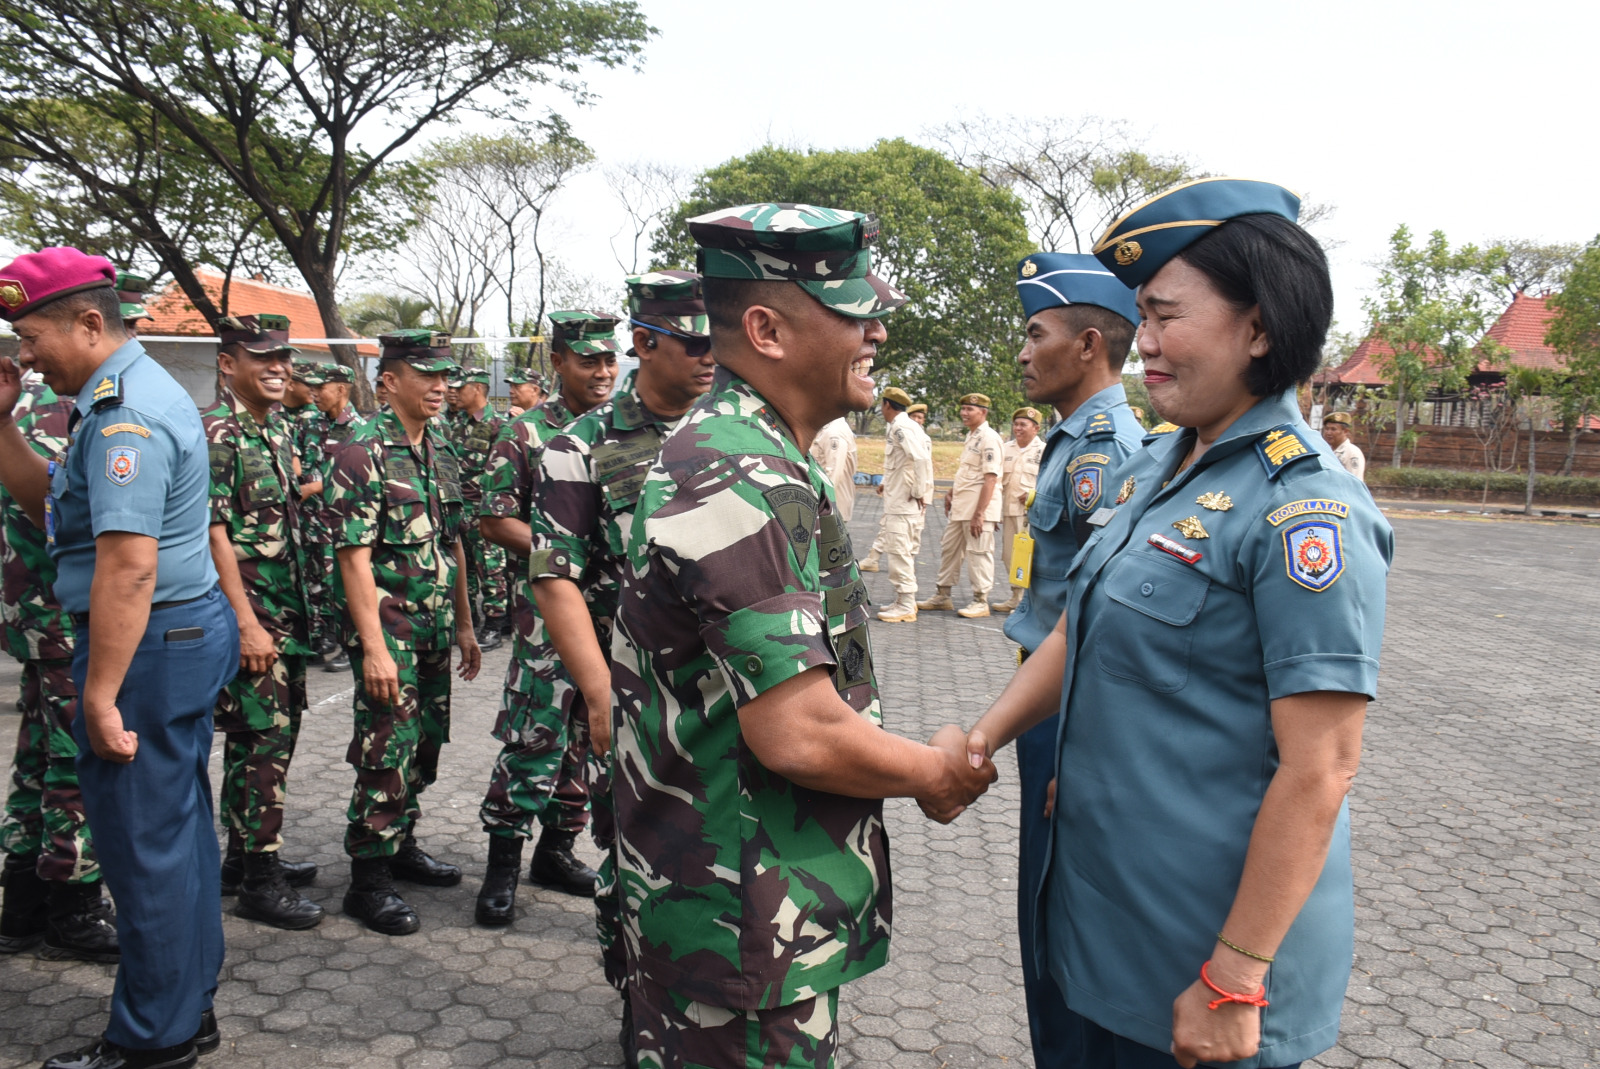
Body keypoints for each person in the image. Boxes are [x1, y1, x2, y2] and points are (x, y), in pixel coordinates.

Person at [965, 179, 1393, 1069]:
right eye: (1142, 318)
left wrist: (1234, 979)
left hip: (1200, 948)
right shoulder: (1161, 465)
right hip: (1106, 917)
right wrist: (982, 738)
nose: (1145, 343)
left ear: (1259, 329)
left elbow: (1321, 768)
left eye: (1164, 317)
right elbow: (1079, 628)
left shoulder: (1303, 509)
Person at [611, 202, 997, 1068]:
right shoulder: (737, 469)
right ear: (766, 330)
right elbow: (799, 731)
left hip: (742, 903)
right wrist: (934, 772)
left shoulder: (753, 452)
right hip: (739, 915)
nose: (876, 332)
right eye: (854, 313)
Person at [0, 247, 238, 1069]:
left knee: (143, 849)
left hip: (147, 646)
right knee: (177, 835)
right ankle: (185, 1006)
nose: (26, 356)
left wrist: (99, 695)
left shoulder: (123, 413)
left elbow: (130, 565)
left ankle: (152, 1039)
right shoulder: (117, 395)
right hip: (170, 635)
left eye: (31, 337)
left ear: (89, 321)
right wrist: (2, 424)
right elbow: (57, 505)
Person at [516, 272, 715, 1061]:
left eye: (716, 342)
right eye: (693, 342)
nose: (709, 357)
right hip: (634, 691)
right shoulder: (581, 445)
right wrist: (599, 692)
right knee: (636, 860)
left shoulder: (730, 431)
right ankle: (643, 1009)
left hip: (727, 689)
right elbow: (553, 574)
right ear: (644, 343)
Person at [1003, 250, 1147, 1066]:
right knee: (1043, 901)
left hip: (1070, 708)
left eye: (1036, 334)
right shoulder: (1070, 438)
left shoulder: (1111, 447)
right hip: (1045, 694)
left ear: (1089, 344)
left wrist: (1086, 742)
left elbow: (1108, 614)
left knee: (1064, 910)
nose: (1024, 352)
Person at [323, 330, 482, 935]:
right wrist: (373, 650)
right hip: (389, 634)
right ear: (388, 381)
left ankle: (401, 843)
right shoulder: (359, 451)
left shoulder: (439, 446)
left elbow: (453, 540)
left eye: (445, 376)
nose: (441, 386)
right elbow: (353, 559)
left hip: (434, 628)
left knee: (425, 745)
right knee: (386, 748)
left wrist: (464, 624)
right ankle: (368, 879)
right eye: (427, 375)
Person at [476, 310, 618, 902]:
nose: (603, 372)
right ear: (558, 363)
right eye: (588, 361)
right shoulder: (526, 433)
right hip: (547, 617)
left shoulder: (625, 431)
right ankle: (501, 868)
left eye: (610, 360)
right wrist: (565, 553)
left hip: (613, 617)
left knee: (590, 737)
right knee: (536, 735)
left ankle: (557, 852)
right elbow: (492, 520)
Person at [202, 315, 324, 931]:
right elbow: (212, 532)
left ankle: (240, 859)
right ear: (228, 364)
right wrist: (246, 623)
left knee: (272, 737)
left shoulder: (274, 428)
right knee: (261, 745)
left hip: (284, 613)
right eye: (261, 358)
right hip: (253, 617)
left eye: (283, 358)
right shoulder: (217, 433)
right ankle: (260, 879)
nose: (278, 368)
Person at [0, 376, 119, 965]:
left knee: (37, 760)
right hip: (62, 617)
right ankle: (73, 907)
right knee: (76, 765)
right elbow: (65, 513)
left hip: (36, 617)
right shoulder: (58, 416)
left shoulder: (26, 409)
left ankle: (22, 904)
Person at [918, 393, 1003, 618]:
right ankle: (942, 595)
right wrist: (952, 493)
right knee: (950, 550)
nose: (964, 413)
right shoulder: (972, 436)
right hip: (962, 507)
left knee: (979, 554)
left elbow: (991, 479)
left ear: (983, 412)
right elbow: (968, 472)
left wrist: (980, 514)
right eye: (963, 409)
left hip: (978, 509)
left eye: (969, 409)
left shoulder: (989, 438)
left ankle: (980, 600)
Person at [303, 363, 362, 673]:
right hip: (311, 520)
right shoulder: (310, 424)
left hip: (341, 523)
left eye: (320, 387)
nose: (313, 393)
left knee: (345, 586)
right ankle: (323, 639)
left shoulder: (358, 429)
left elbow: (357, 477)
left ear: (341, 389)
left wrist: (315, 486)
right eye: (311, 387)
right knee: (316, 584)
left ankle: (351, 644)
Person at [449, 366, 508, 651]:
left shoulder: (498, 425)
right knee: (465, 568)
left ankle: (495, 623)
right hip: (458, 508)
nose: (455, 393)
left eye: (460, 388)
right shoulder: (456, 424)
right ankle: (468, 619)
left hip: (484, 510)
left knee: (490, 566)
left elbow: (502, 472)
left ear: (477, 389)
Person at [865, 387, 933, 623]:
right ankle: (904, 600)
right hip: (901, 501)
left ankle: (905, 604)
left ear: (887, 405)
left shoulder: (901, 427)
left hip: (902, 503)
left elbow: (920, 459)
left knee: (898, 552)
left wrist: (918, 490)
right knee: (902, 551)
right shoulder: (909, 425)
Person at [991, 406, 1044, 614]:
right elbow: (996, 481)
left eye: (1023, 425)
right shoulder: (1005, 449)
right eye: (1016, 424)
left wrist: (1034, 493)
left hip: (1030, 513)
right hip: (1008, 510)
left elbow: (1050, 482)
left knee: (1028, 556)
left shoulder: (1044, 451)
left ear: (1036, 428)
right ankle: (1016, 596)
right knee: (1008, 556)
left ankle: (1029, 601)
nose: (1018, 428)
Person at [809, 414, 858, 522]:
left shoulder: (834, 432)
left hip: (830, 506)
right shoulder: (828, 428)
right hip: (830, 505)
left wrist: (822, 503)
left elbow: (834, 473)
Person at [1320, 411, 1365, 481]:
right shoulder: (1325, 451)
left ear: (1345, 431)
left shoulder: (1352, 452)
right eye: (1327, 429)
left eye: (1333, 429)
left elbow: (1355, 481)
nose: (1328, 433)